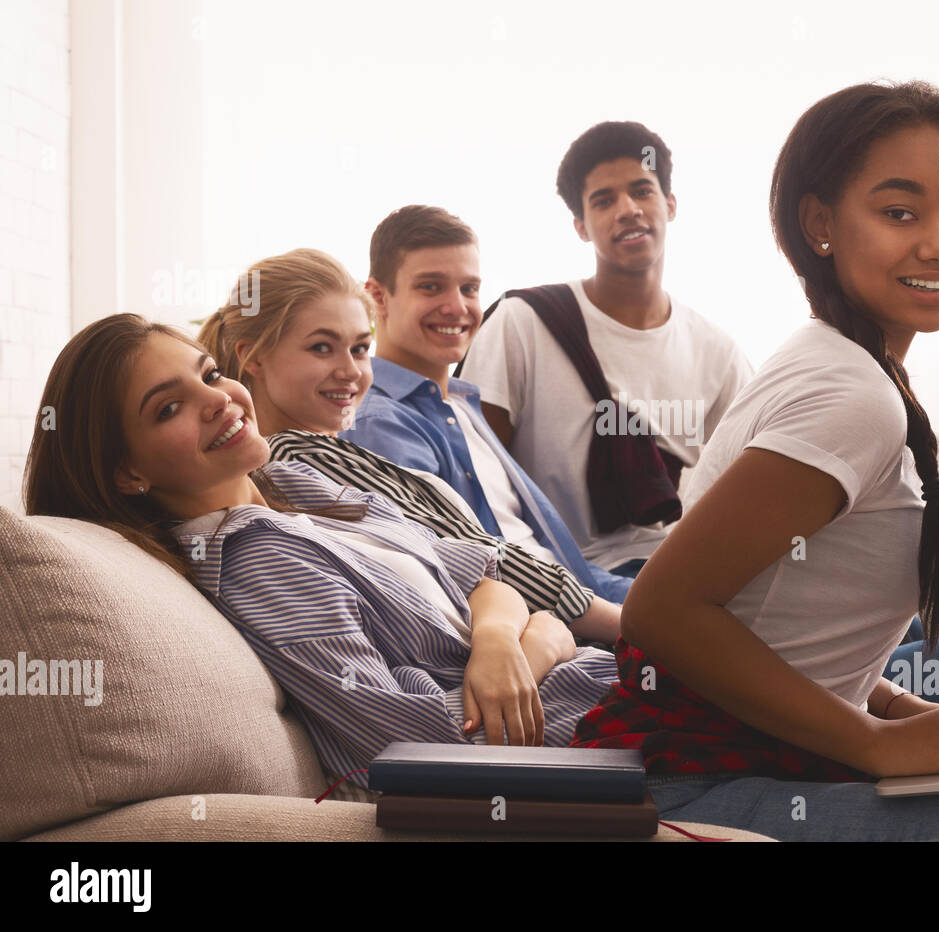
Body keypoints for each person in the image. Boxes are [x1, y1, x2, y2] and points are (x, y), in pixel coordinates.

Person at [570, 80, 939, 841]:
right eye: (900, 212)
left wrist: (918, 713)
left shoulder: (848, 363)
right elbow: (663, 610)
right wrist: (875, 743)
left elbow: (782, 629)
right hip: (697, 778)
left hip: (770, 753)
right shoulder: (849, 397)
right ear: (820, 224)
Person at [23, 313, 618, 796]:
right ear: (128, 471)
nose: (218, 400)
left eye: (207, 375)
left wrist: (507, 641)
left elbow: (483, 576)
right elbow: (418, 751)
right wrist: (538, 640)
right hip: (591, 740)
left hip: (597, 689)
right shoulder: (258, 563)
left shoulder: (300, 488)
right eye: (168, 408)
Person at [195, 247, 620, 643]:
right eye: (321, 348)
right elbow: (476, 556)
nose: (350, 371)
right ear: (255, 357)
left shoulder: (330, 452)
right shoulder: (302, 456)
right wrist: (622, 624)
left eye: (360, 348)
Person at [459, 121, 754, 577]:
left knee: (899, 632)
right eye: (604, 200)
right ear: (581, 226)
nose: (628, 210)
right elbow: (477, 472)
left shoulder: (718, 352)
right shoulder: (524, 322)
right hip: (567, 574)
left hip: (687, 571)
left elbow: (744, 483)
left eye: (642, 191)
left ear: (670, 204)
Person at [340, 205, 635, 602]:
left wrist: (650, 597)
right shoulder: (379, 421)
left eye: (469, 288)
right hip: (546, 623)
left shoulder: (463, 403)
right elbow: (449, 573)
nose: (457, 307)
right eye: (430, 286)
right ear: (377, 296)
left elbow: (558, 562)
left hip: (577, 600)